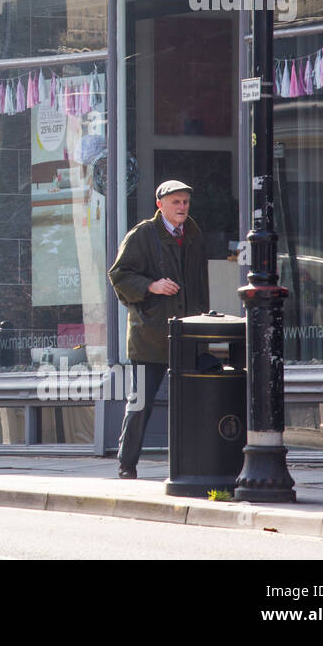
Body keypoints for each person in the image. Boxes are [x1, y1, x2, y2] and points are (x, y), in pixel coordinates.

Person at [108, 180, 209, 479]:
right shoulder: (142, 234)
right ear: (160, 205)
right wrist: (151, 286)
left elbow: (200, 286)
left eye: (185, 202)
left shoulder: (194, 235)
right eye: (176, 202)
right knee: (140, 403)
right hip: (149, 334)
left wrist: (203, 321)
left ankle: (195, 462)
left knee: (197, 399)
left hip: (188, 333)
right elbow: (119, 275)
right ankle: (127, 464)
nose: (182, 208)